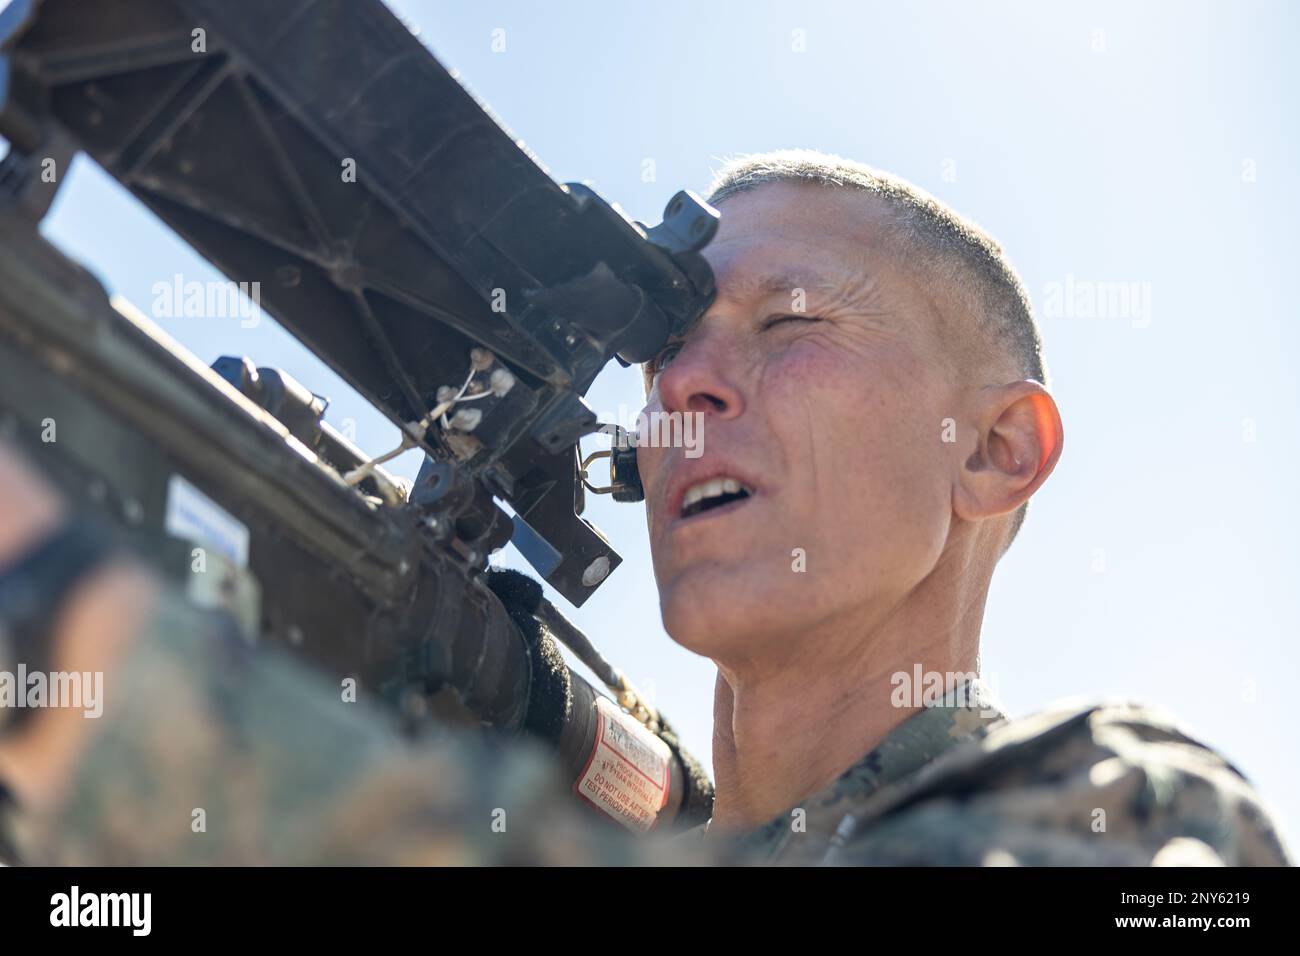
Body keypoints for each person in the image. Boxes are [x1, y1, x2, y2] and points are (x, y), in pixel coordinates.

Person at [633, 149, 1292, 865]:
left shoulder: (1125, 810)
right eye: (667, 350)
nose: (681, 386)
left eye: (788, 321)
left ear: (995, 450)